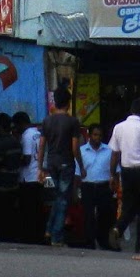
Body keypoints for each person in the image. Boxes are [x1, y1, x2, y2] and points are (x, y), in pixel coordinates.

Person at [39, 86, 81, 246]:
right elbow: (75, 148)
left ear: (55, 102)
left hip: (51, 163)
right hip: (66, 163)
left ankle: (49, 228)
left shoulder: (47, 120)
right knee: (63, 199)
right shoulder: (72, 121)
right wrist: (82, 166)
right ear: (68, 103)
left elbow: (42, 145)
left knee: (58, 197)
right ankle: (56, 236)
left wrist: (40, 167)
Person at [80, 122, 119, 251]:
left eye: (100, 135)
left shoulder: (109, 151)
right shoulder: (81, 151)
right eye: (95, 135)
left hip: (104, 186)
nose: (97, 138)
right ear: (89, 135)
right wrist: (75, 190)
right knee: (88, 215)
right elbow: (76, 172)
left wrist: (116, 187)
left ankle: (103, 241)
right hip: (87, 186)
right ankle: (89, 242)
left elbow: (116, 170)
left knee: (105, 215)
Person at [0, 112, 23, 241]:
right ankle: (10, 235)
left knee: (0, 212)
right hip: (13, 183)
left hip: (1, 185)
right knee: (10, 212)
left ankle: (2, 236)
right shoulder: (15, 141)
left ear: (0, 127)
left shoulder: (0, 143)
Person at [112, 98, 140, 252]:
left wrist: (112, 175)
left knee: (129, 205)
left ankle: (118, 228)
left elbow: (114, 154)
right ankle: (139, 248)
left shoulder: (119, 127)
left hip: (126, 170)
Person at [18, 110, 46, 239]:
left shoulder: (26, 135)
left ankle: (29, 235)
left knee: (28, 208)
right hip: (39, 175)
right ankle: (39, 234)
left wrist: (16, 161)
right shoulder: (38, 134)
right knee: (38, 207)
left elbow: (27, 158)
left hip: (28, 177)